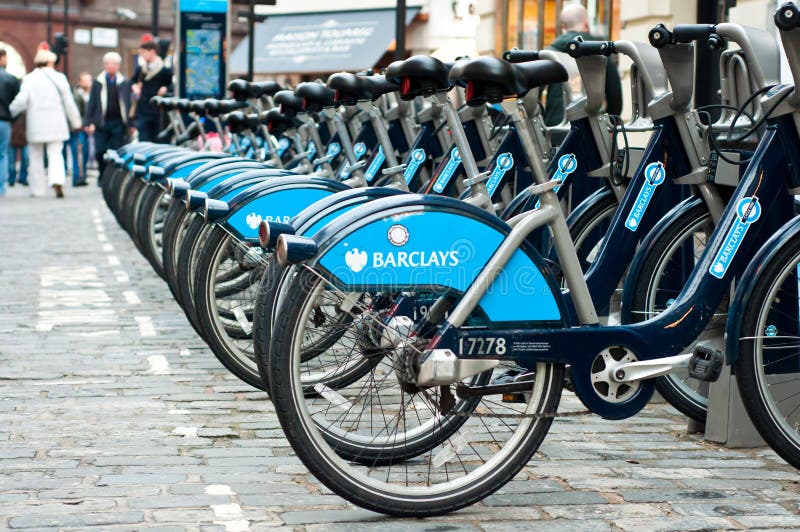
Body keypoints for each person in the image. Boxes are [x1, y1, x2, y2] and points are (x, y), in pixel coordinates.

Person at [9, 45, 81, 198]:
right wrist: (76, 122)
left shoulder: (29, 79)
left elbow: (21, 102)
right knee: (55, 153)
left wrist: (9, 113)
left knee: (35, 156)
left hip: (36, 123)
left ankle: (38, 189)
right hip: (56, 122)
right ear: (51, 62)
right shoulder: (60, 78)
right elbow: (69, 103)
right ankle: (57, 179)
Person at [543, 3, 623, 126]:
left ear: (564, 26)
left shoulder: (549, 53)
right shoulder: (600, 50)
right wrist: (611, 123)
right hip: (590, 128)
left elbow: (534, 90)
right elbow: (614, 96)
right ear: (586, 23)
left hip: (555, 127)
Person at [85, 52, 131, 177]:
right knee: (100, 150)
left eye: (114, 64)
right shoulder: (98, 82)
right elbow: (92, 102)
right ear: (104, 65)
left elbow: (128, 103)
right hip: (101, 122)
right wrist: (89, 122)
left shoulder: (123, 82)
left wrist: (130, 123)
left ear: (118, 65)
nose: (111, 66)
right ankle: (102, 174)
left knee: (116, 151)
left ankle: (111, 177)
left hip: (118, 122)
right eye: (108, 63)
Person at [130, 35, 172, 142]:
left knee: (156, 140)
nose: (142, 55)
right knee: (143, 140)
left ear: (152, 52)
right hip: (143, 110)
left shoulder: (164, 70)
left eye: (144, 52)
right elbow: (131, 81)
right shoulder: (141, 69)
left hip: (158, 111)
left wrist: (165, 89)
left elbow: (171, 85)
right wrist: (134, 87)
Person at [62, 72, 92, 186]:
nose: (87, 83)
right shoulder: (76, 95)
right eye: (85, 80)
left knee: (80, 152)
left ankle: (78, 176)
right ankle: (77, 177)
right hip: (76, 128)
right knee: (77, 153)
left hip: (78, 128)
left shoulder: (89, 94)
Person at [0, 48, 20, 196]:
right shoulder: (11, 79)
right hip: (4, 121)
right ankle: (1, 188)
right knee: (3, 154)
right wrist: (12, 119)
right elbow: (18, 103)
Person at [8, 116, 27, 187]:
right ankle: (11, 179)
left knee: (25, 159)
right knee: (11, 160)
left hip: (24, 137)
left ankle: (23, 178)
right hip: (12, 137)